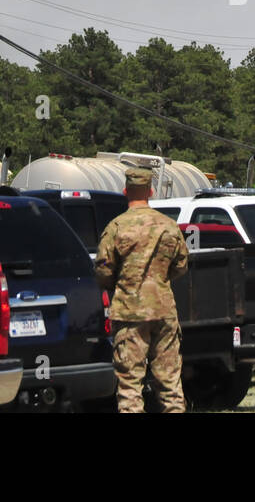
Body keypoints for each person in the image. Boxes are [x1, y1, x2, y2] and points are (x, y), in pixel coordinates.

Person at [94, 165, 189, 413]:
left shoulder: (116, 227)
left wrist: (118, 284)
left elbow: (103, 270)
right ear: (151, 191)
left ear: (126, 191)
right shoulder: (168, 226)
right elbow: (181, 266)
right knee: (170, 385)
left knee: (130, 387)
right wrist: (158, 280)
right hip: (163, 311)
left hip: (129, 314)